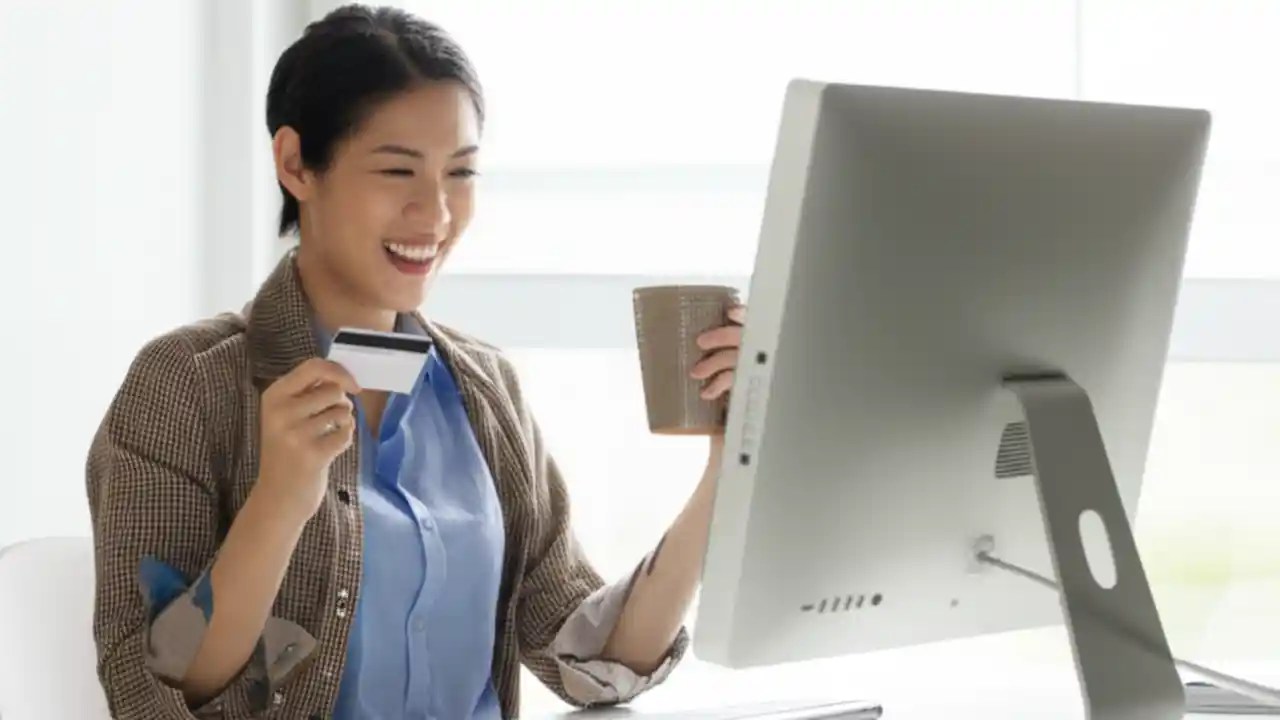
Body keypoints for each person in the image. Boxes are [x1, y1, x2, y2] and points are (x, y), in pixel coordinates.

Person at [85, 4, 747, 719]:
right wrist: (278, 503)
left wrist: (730, 464)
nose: (435, 213)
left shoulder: (486, 390)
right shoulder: (186, 385)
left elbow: (590, 658)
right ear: (295, 163)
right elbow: (151, 693)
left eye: (460, 173)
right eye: (398, 171)